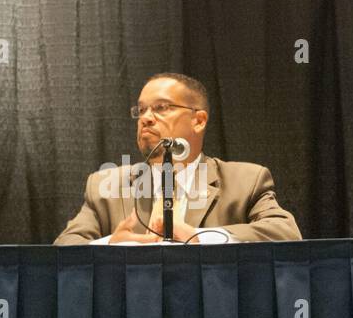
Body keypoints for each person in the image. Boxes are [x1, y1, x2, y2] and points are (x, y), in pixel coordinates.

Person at [54, 73, 301, 245]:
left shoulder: (246, 181)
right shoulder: (104, 186)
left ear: (199, 120)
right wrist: (111, 246)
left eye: (162, 108)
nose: (146, 118)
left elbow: (285, 233)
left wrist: (200, 237)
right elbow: (65, 245)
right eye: (141, 110)